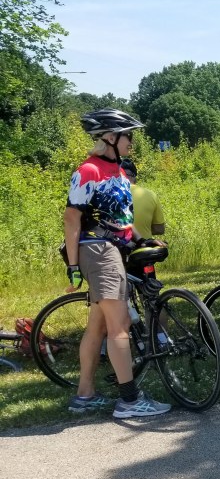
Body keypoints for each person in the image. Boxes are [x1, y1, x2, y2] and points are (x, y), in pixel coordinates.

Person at [63, 109, 171, 418]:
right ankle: (130, 400)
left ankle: (84, 395)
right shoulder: (88, 171)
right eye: (129, 137)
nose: (132, 144)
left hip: (114, 248)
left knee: (97, 326)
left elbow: (122, 220)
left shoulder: (117, 172)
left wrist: (141, 240)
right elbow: (71, 219)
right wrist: (73, 265)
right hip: (97, 250)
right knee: (119, 326)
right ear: (111, 137)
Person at [120, 158, 165, 239]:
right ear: (134, 177)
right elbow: (160, 229)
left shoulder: (108, 194)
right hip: (142, 248)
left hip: (116, 248)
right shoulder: (151, 195)